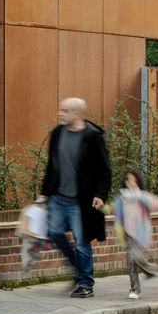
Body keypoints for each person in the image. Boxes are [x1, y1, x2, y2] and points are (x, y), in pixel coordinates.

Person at [41, 97, 112, 298]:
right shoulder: (57, 133)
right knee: (54, 232)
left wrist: (101, 195)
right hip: (58, 197)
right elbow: (51, 166)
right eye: (60, 109)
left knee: (82, 242)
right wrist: (43, 194)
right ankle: (77, 268)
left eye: (65, 110)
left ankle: (85, 284)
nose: (59, 113)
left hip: (81, 202)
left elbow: (105, 170)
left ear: (78, 114)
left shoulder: (93, 136)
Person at [113, 168, 158, 300]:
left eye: (134, 180)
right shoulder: (121, 197)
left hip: (141, 234)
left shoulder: (143, 195)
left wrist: (139, 196)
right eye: (129, 180)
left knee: (135, 258)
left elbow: (157, 204)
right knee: (130, 262)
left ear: (138, 182)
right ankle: (135, 289)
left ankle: (151, 270)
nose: (131, 183)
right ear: (125, 182)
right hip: (128, 234)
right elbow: (115, 211)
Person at [19, 195, 48, 270]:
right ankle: (26, 264)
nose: (43, 206)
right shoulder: (34, 209)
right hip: (32, 234)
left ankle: (30, 261)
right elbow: (26, 219)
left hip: (40, 236)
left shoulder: (46, 211)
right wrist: (27, 232)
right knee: (29, 249)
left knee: (36, 251)